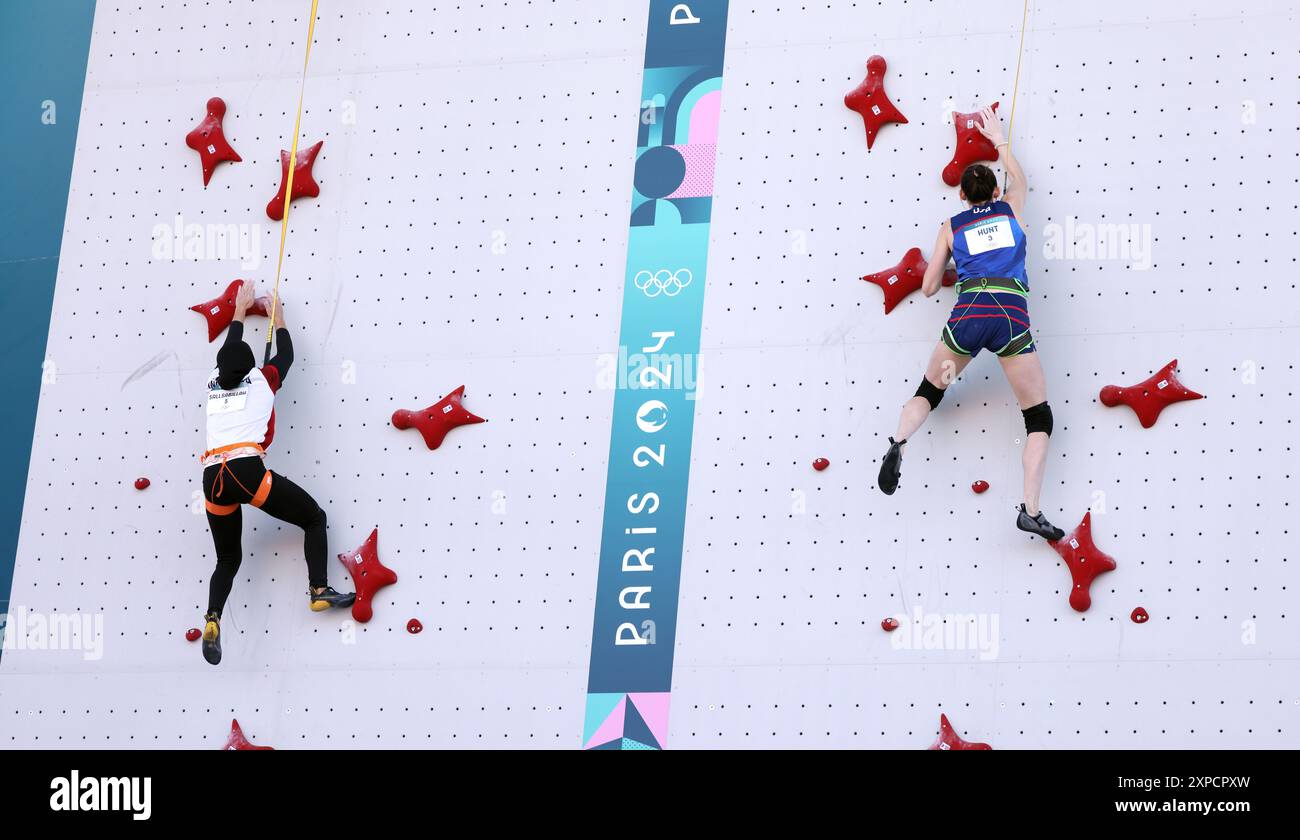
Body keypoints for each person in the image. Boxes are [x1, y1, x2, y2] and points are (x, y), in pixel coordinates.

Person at [877, 107, 1065, 542]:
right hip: (1009, 318)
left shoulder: (950, 225)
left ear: (962, 196)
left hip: (967, 316)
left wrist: (952, 261)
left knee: (928, 391)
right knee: (1038, 416)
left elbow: (926, 288)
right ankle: (1031, 510)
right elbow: (1022, 181)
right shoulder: (1011, 209)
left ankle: (898, 442)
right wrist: (1000, 141)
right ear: (995, 189)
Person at [199, 281, 354, 665]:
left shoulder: (212, 384)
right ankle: (318, 589)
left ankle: (213, 617)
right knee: (313, 518)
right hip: (245, 471)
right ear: (250, 366)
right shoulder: (263, 380)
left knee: (227, 559)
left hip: (211, 478)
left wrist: (239, 311)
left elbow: (229, 351)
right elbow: (287, 353)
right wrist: (277, 315)